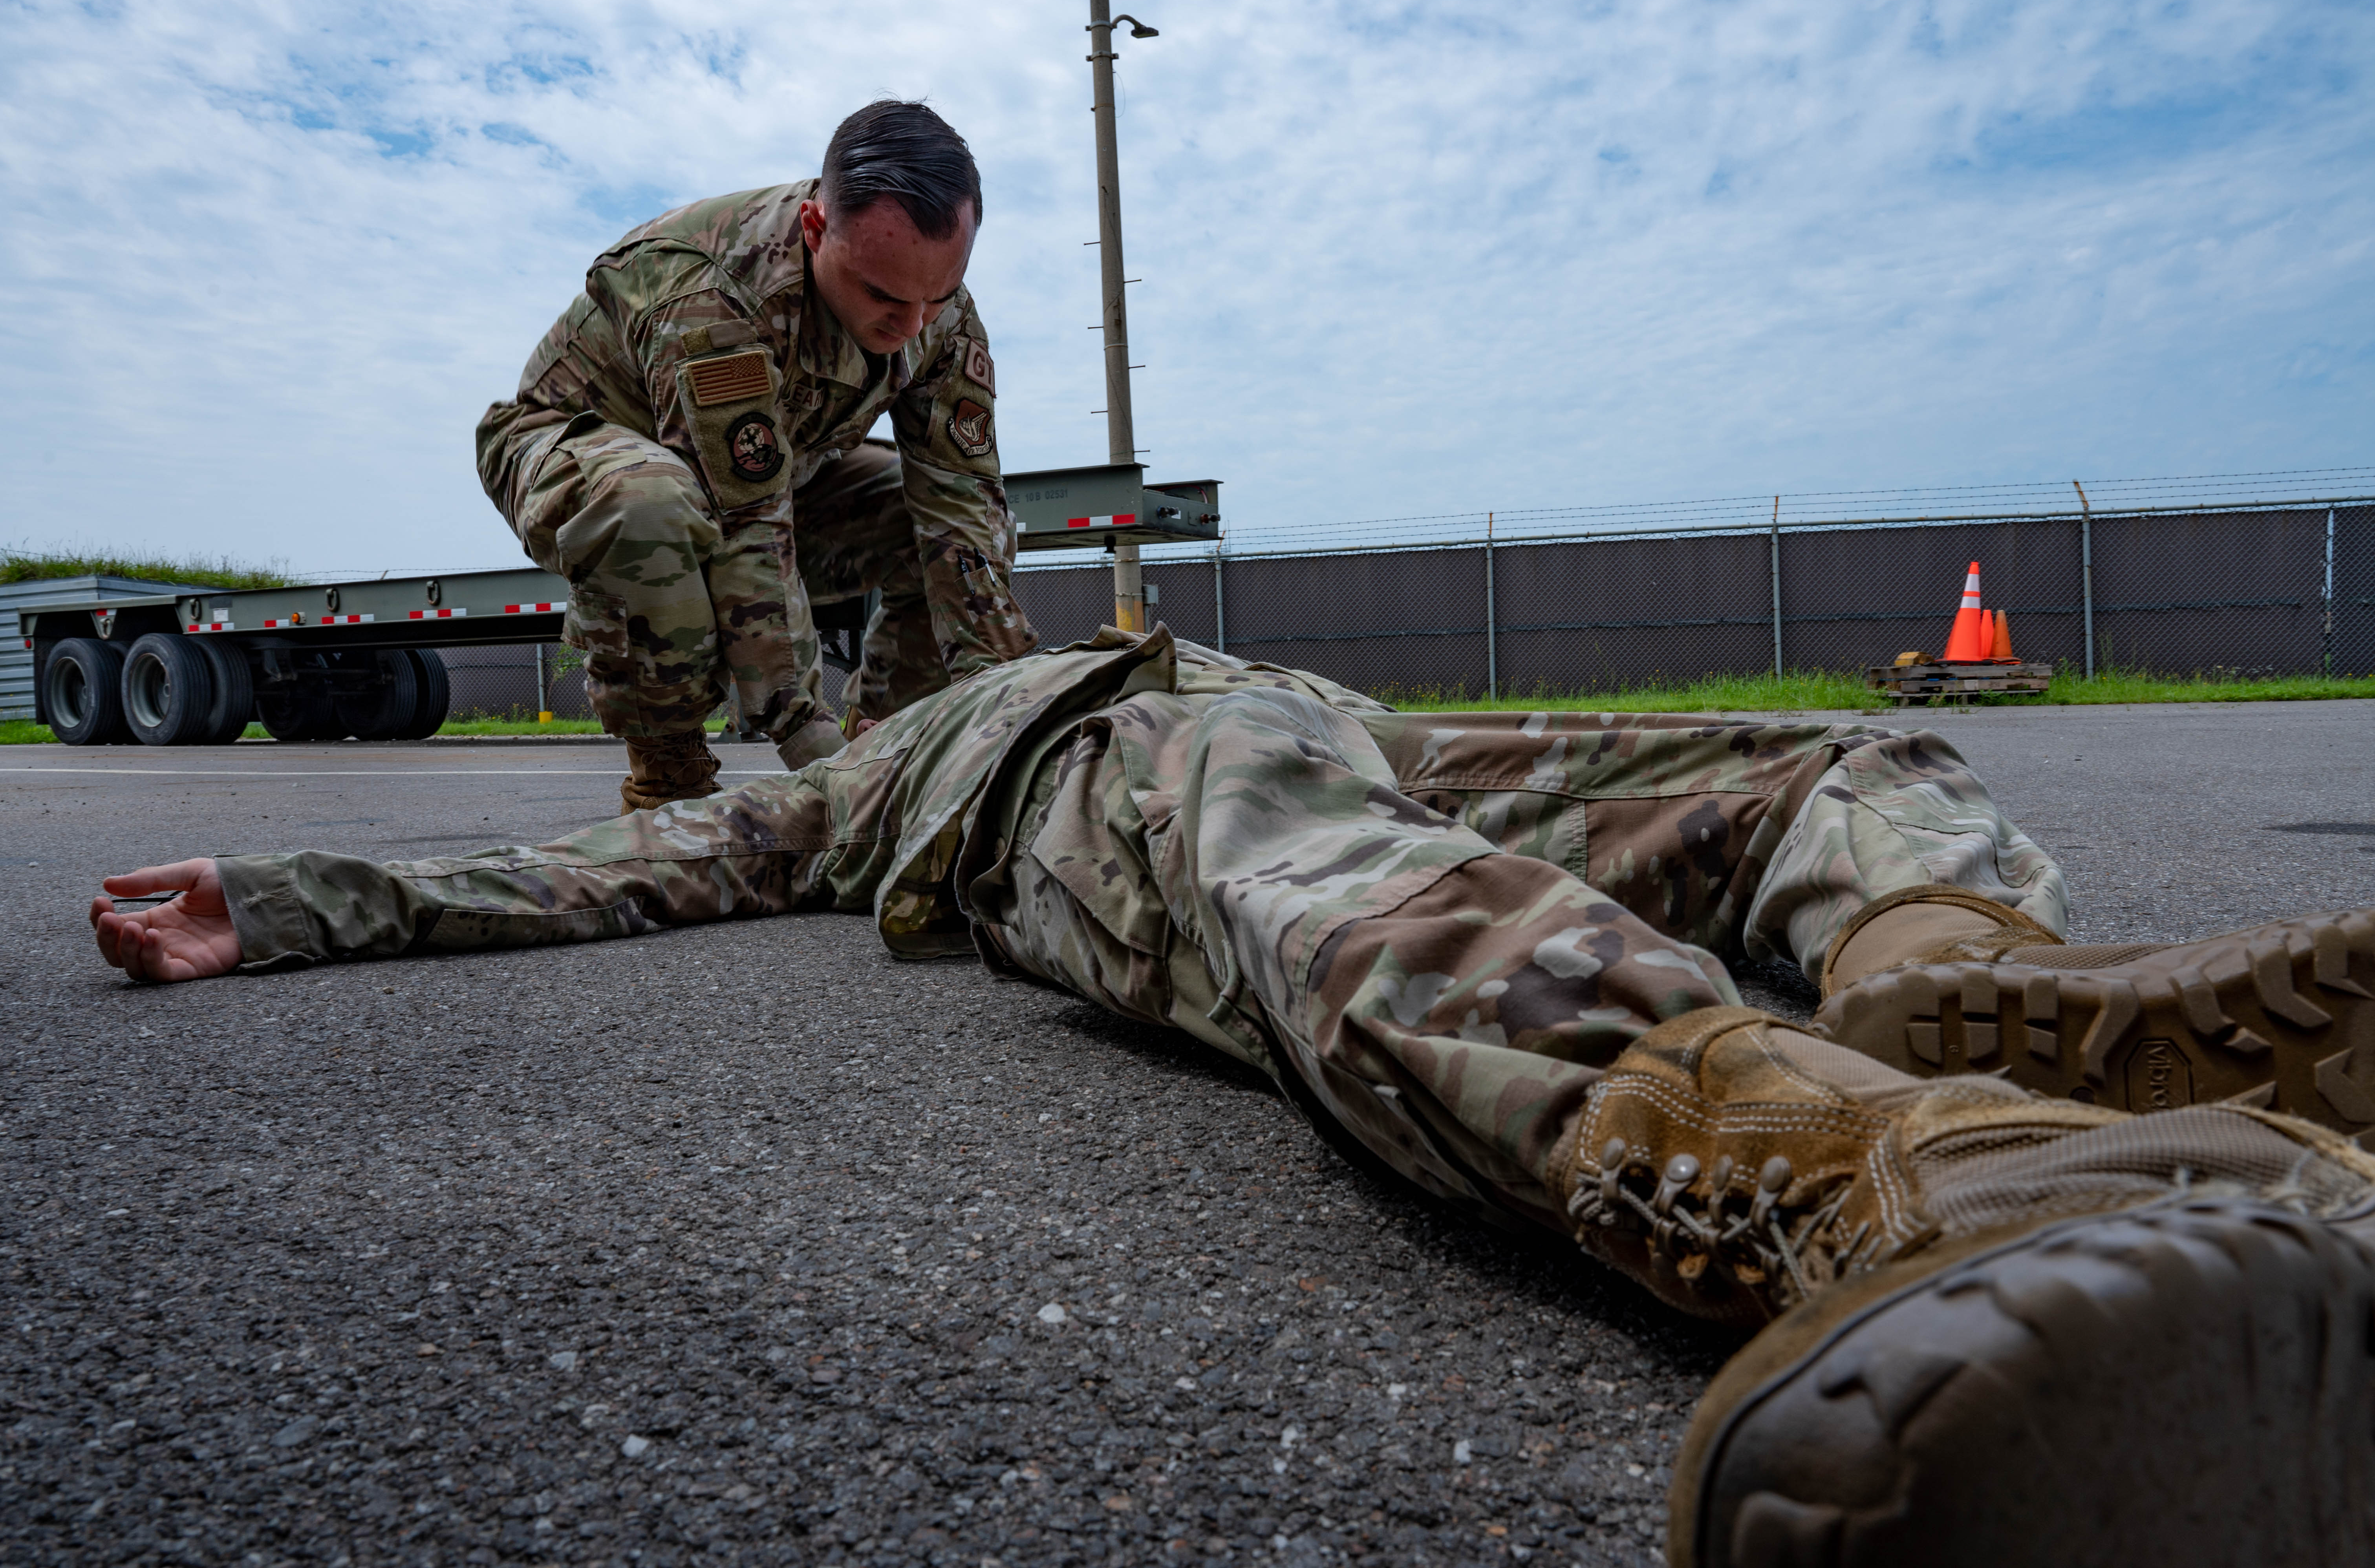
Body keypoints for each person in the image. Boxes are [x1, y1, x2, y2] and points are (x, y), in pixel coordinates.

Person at [90, 627, 2375, 1564]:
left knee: (1836, 754)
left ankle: (1957, 987)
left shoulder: (1180, 642)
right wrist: (300, 896)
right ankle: (1921, 1165)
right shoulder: (895, 754)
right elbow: (640, 854)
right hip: (1115, 799)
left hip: (1344, 725)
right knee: (1319, 875)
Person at [476, 100, 1038, 813]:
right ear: (815, 228)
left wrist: (1002, 707)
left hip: (770, 480)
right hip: (574, 450)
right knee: (649, 504)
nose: (913, 325)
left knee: (932, 524)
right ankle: (669, 786)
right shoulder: (715, 292)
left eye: (939, 296)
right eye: (883, 296)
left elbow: (963, 510)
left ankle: (887, 756)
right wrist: (808, 741)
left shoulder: (937, 314)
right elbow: (750, 526)